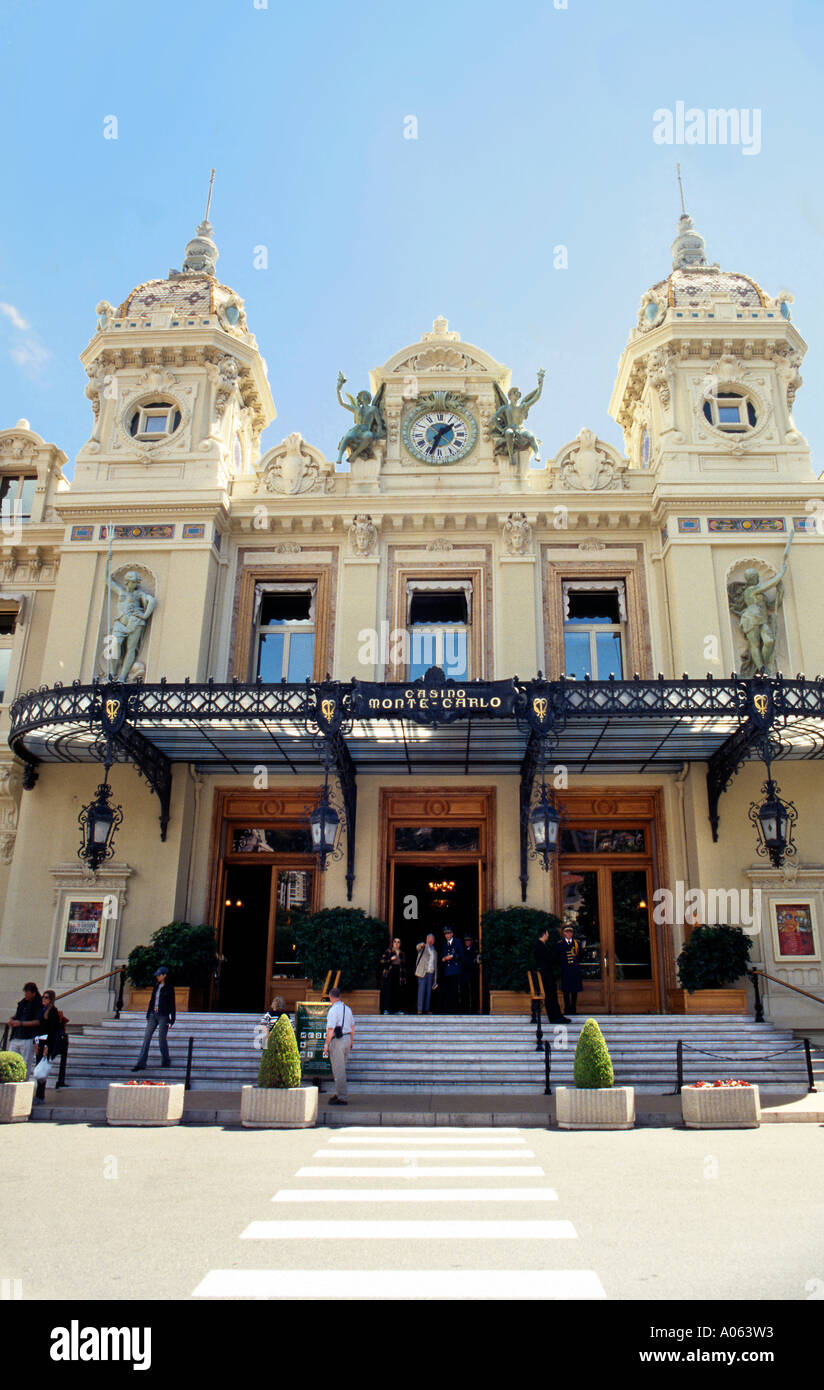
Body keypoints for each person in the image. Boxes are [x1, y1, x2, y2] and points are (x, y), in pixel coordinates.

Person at [131, 965, 175, 1071]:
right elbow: (152, 1000)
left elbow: (172, 1005)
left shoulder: (169, 988)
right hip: (153, 1014)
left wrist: (172, 1020)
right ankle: (141, 1063)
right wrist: (148, 1013)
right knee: (147, 1037)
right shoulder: (156, 986)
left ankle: (166, 1060)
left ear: (164, 975)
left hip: (163, 1015)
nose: (157, 977)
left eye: (159, 975)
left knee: (161, 1039)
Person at [323, 986, 354, 1106]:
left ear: (331, 997)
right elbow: (352, 1027)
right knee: (341, 1068)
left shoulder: (333, 1010)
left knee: (338, 1069)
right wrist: (352, 1041)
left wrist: (326, 1045)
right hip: (347, 1039)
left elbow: (330, 1029)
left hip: (338, 1040)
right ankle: (339, 1092)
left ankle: (342, 1097)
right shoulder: (348, 1009)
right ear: (339, 997)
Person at [6, 982, 42, 1078]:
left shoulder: (37, 1004)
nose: (26, 995)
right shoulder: (23, 1003)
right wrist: (12, 1019)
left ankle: (23, 1081)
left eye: (28, 993)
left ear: (33, 993)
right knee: (11, 1060)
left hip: (28, 1037)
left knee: (25, 1063)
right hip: (16, 1035)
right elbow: (18, 1014)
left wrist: (21, 1023)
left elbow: (38, 1021)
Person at [33, 989, 62, 1103]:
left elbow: (52, 1030)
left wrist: (47, 1047)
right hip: (39, 1040)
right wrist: (34, 1043)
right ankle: (38, 1094)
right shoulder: (41, 1011)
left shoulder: (53, 1011)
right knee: (38, 1067)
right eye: (43, 997)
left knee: (42, 1069)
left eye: (46, 997)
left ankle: (40, 1095)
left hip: (46, 1042)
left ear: (51, 999)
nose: (43, 999)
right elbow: (37, 1027)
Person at [535, 929, 569, 1024]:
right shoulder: (540, 946)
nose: (548, 935)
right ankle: (555, 1017)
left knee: (552, 996)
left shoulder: (541, 945)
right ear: (544, 934)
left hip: (547, 974)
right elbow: (548, 959)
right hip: (546, 975)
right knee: (550, 996)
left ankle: (557, 1016)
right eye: (547, 933)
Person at [554, 925, 584, 1016]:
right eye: (567, 932)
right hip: (565, 970)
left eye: (570, 932)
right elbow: (557, 957)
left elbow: (581, 956)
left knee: (574, 990)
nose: (569, 934)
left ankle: (573, 1008)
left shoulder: (577, 943)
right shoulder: (560, 944)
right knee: (566, 990)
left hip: (575, 970)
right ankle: (567, 1008)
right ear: (563, 933)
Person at [439, 927, 464, 1013]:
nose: (447, 935)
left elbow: (461, 954)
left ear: (452, 934)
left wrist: (453, 956)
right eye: (445, 934)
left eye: (448, 933)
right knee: (448, 990)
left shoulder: (457, 942)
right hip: (447, 971)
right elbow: (443, 956)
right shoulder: (444, 945)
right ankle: (448, 1009)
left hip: (456, 970)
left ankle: (456, 1009)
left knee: (455, 990)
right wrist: (443, 958)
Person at [414, 933, 439, 1014]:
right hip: (422, 972)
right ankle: (420, 1009)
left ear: (434, 941)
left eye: (432, 939)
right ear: (426, 940)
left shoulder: (435, 952)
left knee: (429, 992)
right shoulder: (423, 947)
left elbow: (435, 965)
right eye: (429, 939)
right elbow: (417, 947)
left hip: (430, 973)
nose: (430, 941)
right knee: (421, 991)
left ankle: (427, 1009)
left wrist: (435, 979)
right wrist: (421, 945)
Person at [461, 935, 479, 1014]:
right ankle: (466, 1007)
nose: (467, 942)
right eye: (466, 941)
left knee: (473, 990)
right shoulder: (463, 950)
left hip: (472, 973)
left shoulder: (475, 951)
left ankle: (474, 1008)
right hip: (464, 973)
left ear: (471, 941)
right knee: (465, 991)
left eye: (468, 941)